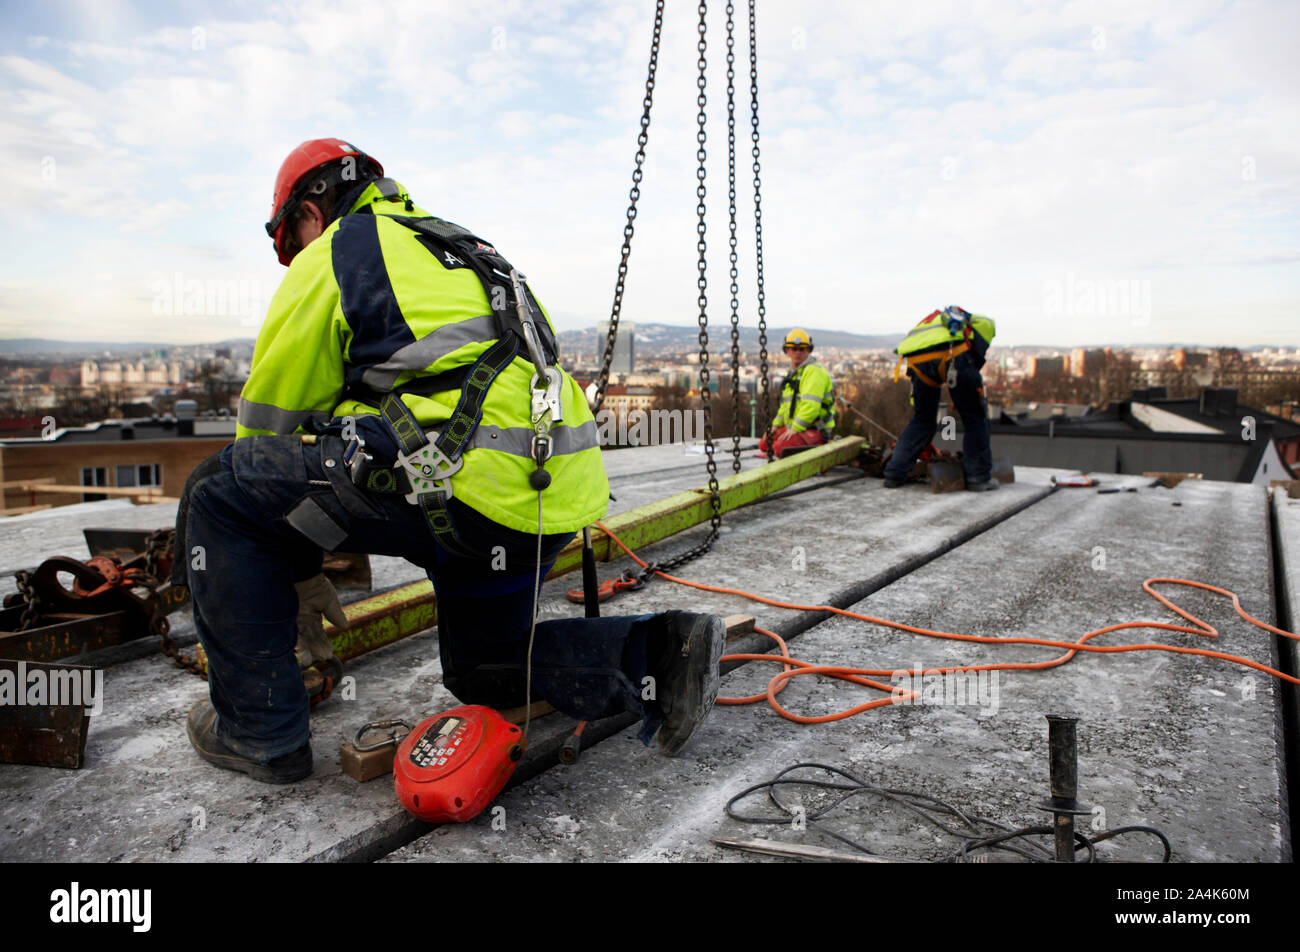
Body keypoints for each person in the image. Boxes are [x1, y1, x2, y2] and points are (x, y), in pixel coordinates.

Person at [181, 138, 725, 783]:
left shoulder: (336, 252)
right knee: (488, 673)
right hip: (542, 503)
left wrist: (293, 567)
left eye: (290, 239)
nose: (295, 256)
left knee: (216, 490)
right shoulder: (464, 249)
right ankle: (658, 652)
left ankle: (258, 732)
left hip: (461, 489)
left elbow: (266, 438)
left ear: (308, 212)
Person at [882, 306, 998, 491]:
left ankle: (894, 473)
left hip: (918, 361)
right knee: (974, 416)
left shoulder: (936, 323)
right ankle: (978, 477)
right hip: (953, 356)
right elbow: (974, 360)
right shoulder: (982, 326)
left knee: (922, 419)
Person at [758, 328, 837, 458]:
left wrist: (796, 428)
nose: (797, 353)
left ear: (808, 350)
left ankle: (819, 446)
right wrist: (776, 426)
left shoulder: (813, 372)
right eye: (793, 349)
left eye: (802, 349)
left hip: (815, 429)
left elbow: (811, 406)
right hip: (798, 427)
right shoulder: (794, 374)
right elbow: (785, 406)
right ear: (787, 351)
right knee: (764, 445)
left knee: (779, 449)